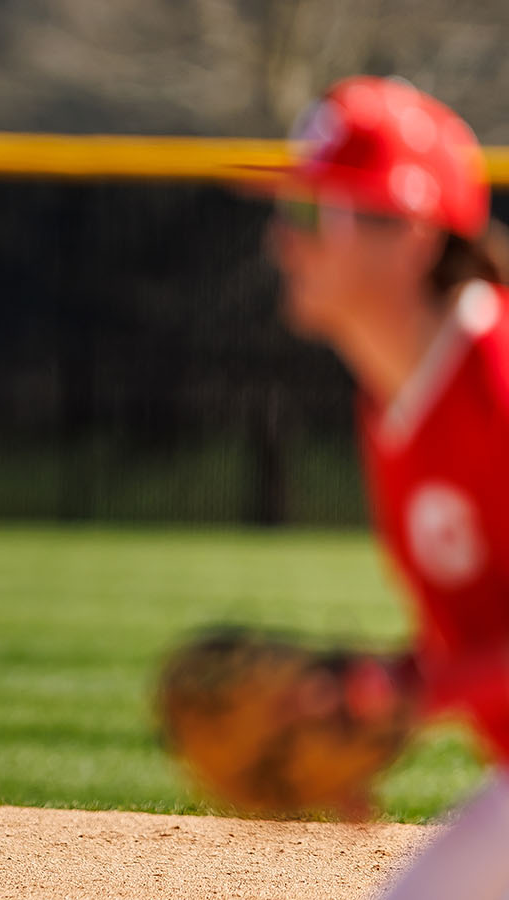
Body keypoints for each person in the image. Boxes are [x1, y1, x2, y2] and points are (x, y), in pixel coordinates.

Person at [267, 75, 509, 898]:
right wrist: (380, 702)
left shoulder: (498, 380)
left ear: (408, 232)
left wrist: (412, 690)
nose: (282, 241)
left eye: (311, 215)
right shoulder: (397, 403)